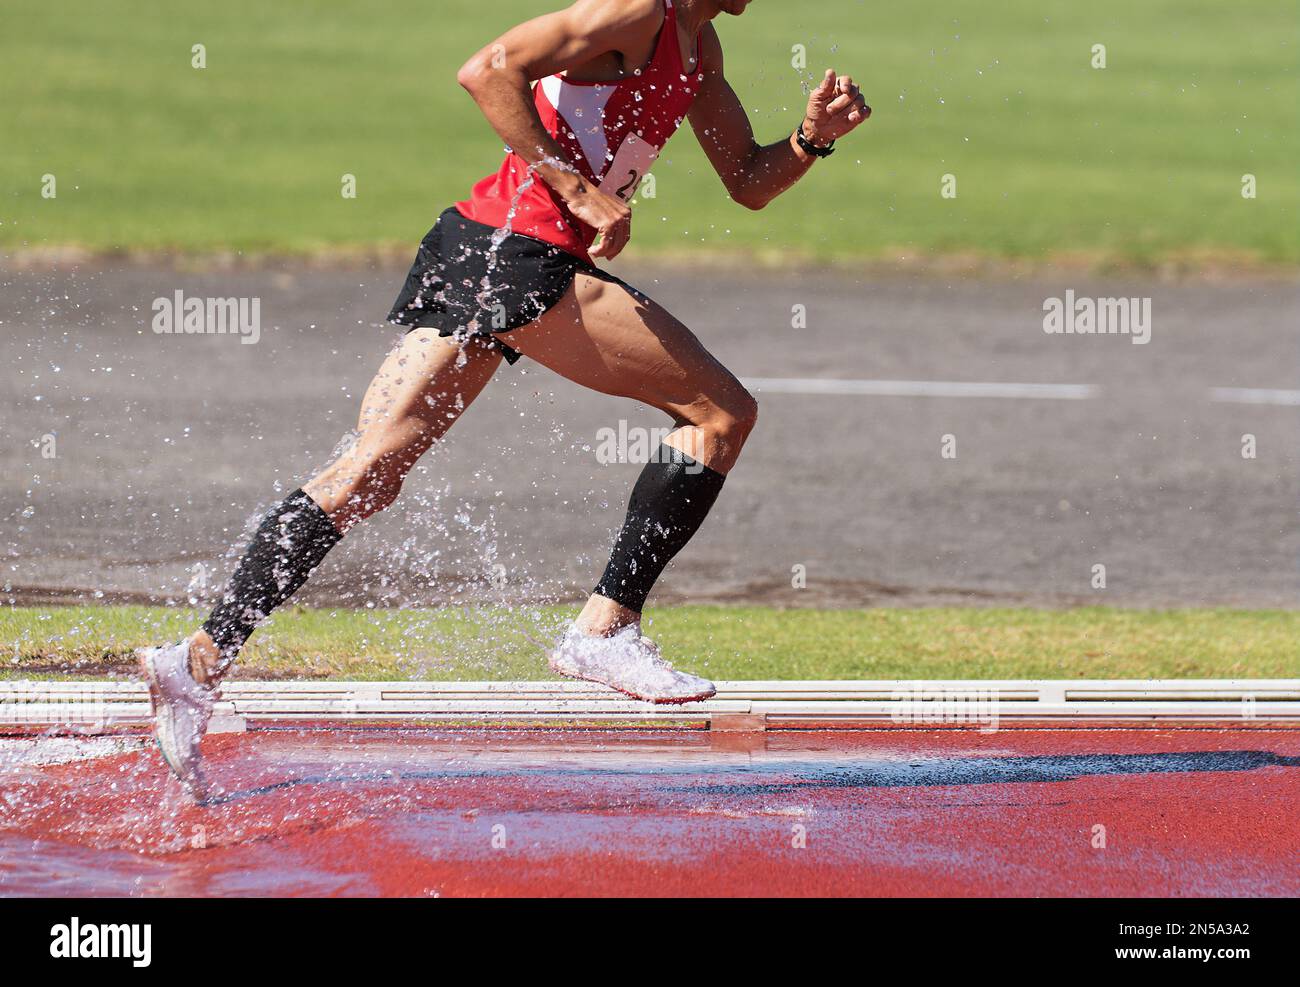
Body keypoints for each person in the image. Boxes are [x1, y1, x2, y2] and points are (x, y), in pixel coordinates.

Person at [138, 0, 871, 791]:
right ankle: (605, 629)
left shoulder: (699, 48)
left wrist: (812, 138)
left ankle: (196, 662)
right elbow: (487, 69)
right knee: (720, 412)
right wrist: (576, 189)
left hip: (478, 249)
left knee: (369, 474)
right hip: (521, 253)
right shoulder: (633, 14)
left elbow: (748, 182)